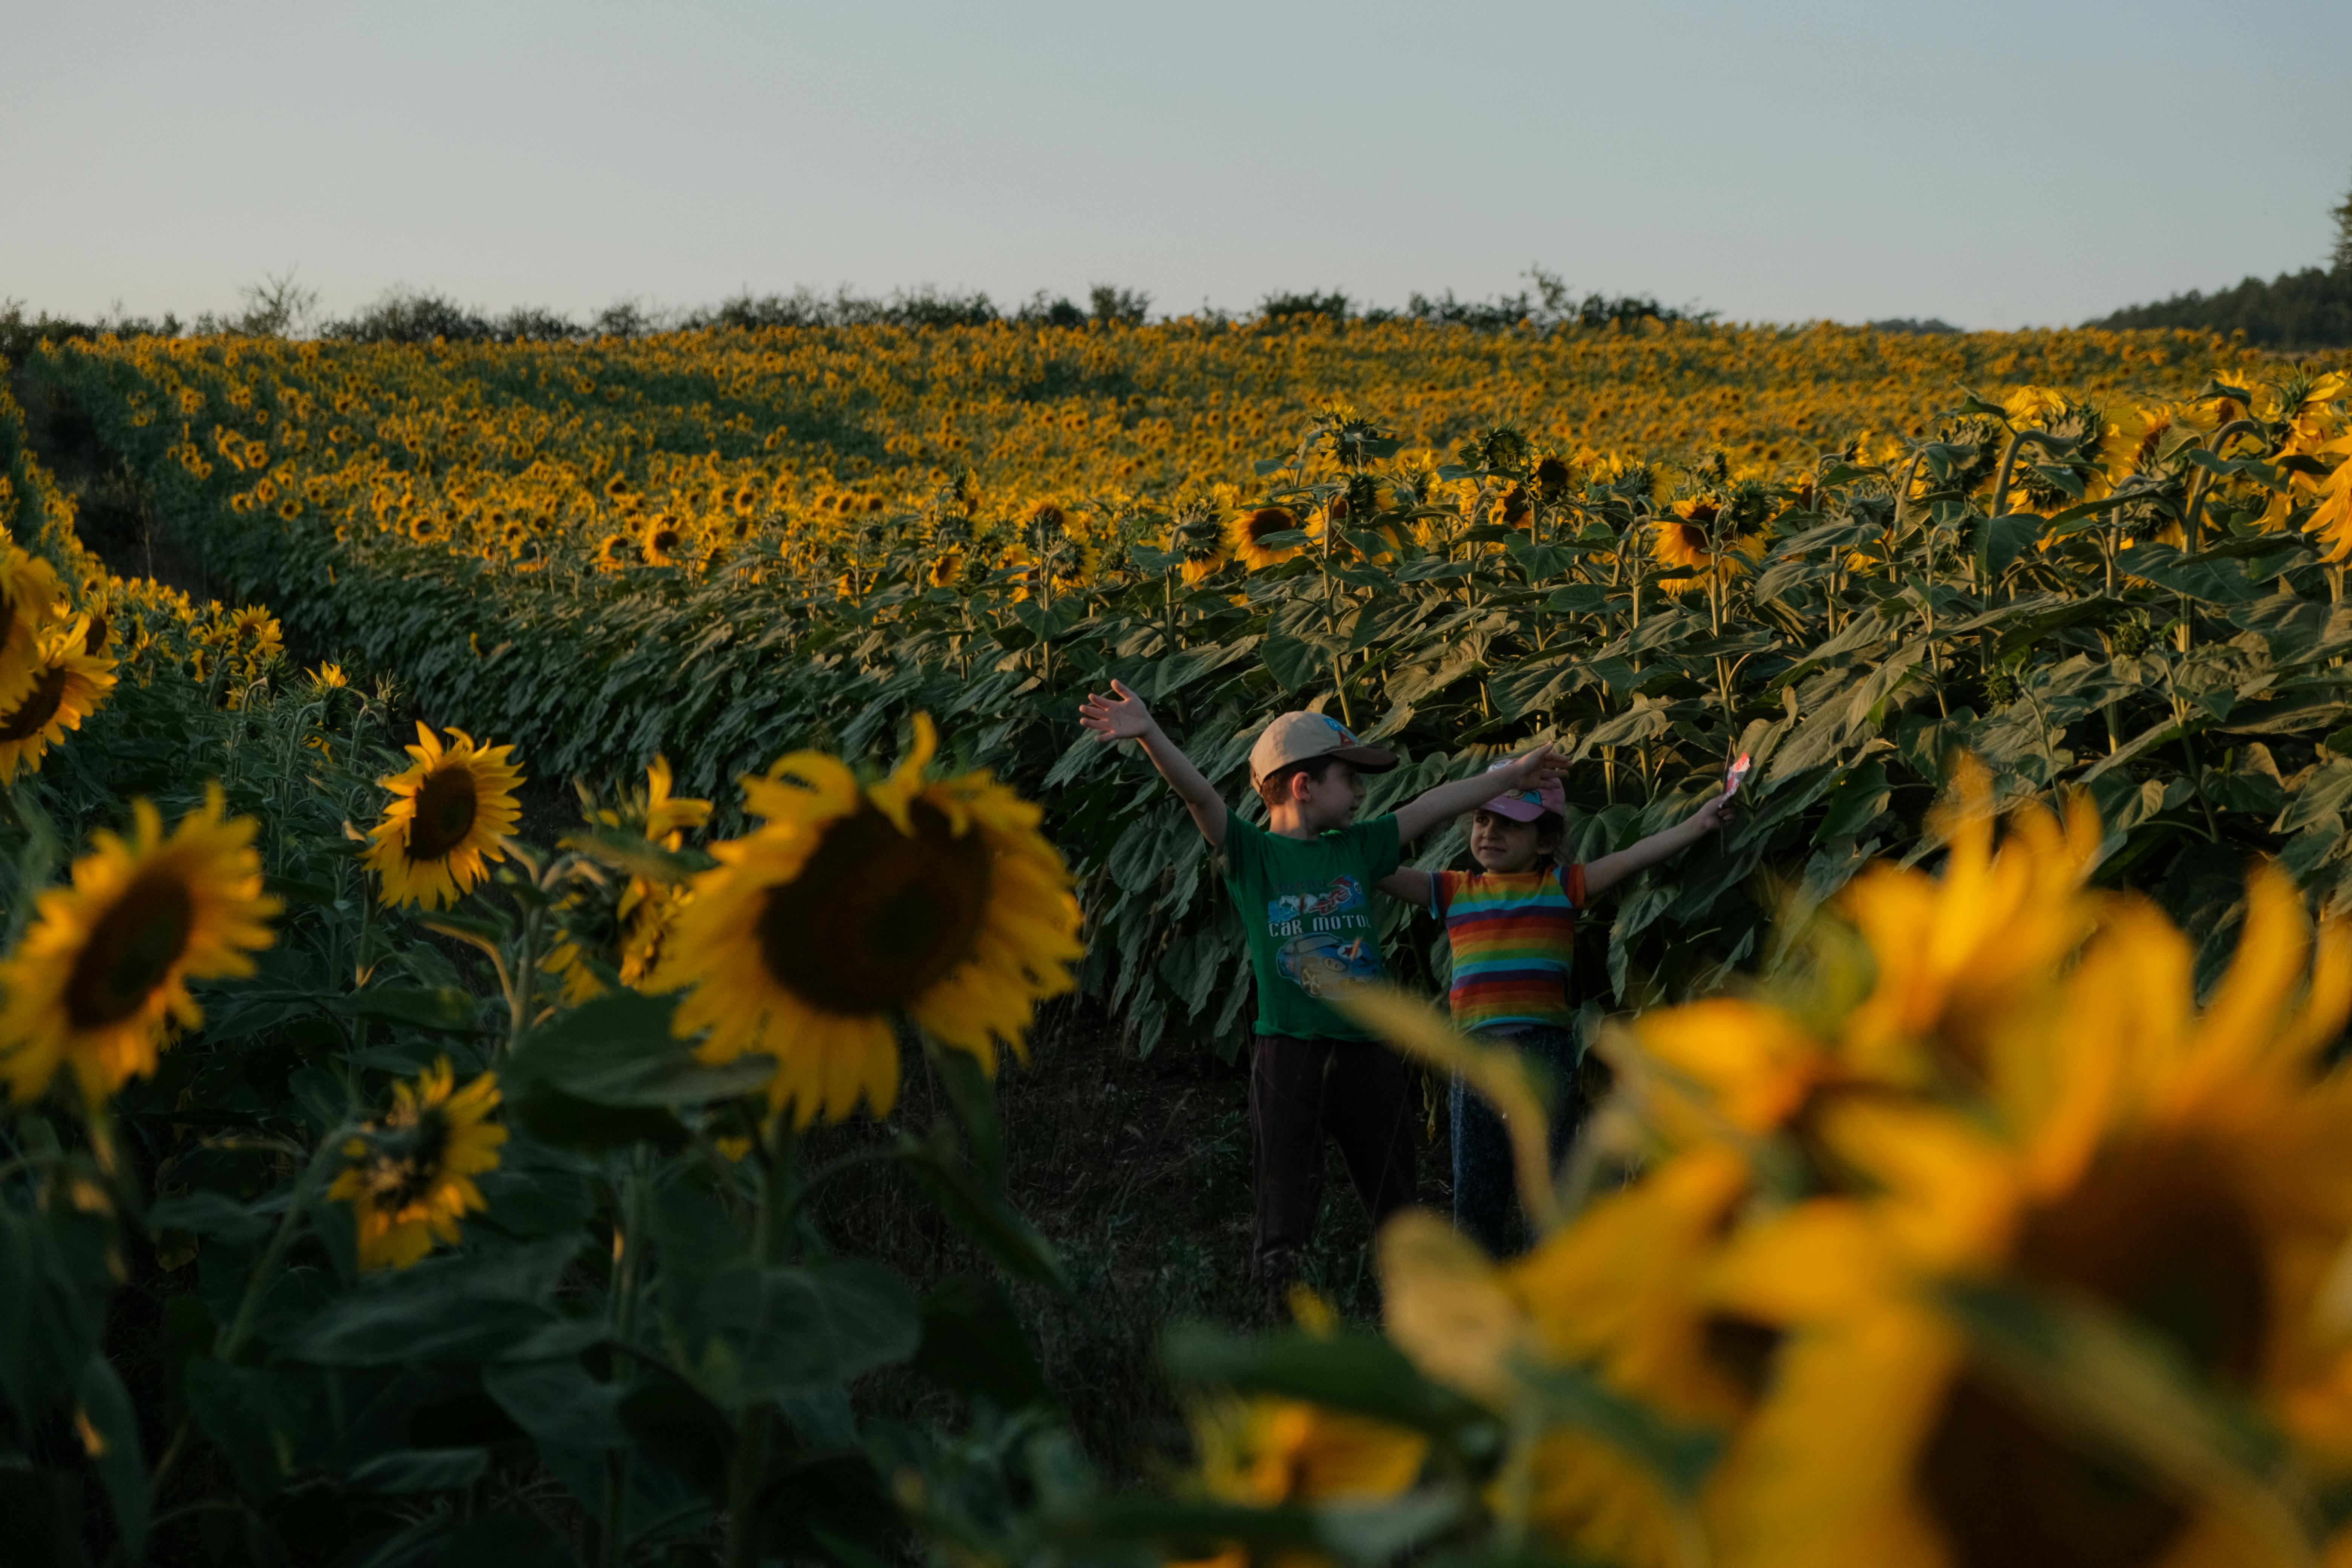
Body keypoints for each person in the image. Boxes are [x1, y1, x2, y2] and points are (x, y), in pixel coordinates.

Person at [1076, 680, 1568, 1292]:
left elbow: (1437, 804)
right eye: (1351, 778)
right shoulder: (1253, 855)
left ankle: (1416, 1314)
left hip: (1370, 1051)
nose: (1363, 792)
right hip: (1288, 1052)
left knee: (1398, 1201)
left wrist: (1510, 775)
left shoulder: (1358, 847)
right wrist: (1150, 734)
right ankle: (1280, 1307)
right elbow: (1198, 796)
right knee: (1284, 1207)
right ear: (1305, 786)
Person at [1375, 763, 1732, 1255]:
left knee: (1550, 1182)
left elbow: (1629, 859)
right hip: (1475, 1055)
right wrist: (1325, 839)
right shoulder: (1454, 889)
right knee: (1477, 1180)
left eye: (1510, 825)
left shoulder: (1562, 887)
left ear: (1545, 842)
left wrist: (1697, 824)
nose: (1490, 833)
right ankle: (1481, 1284)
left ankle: (1550, 1279)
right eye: (1482, 820)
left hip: (1543, 1049)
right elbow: (1376, 868)